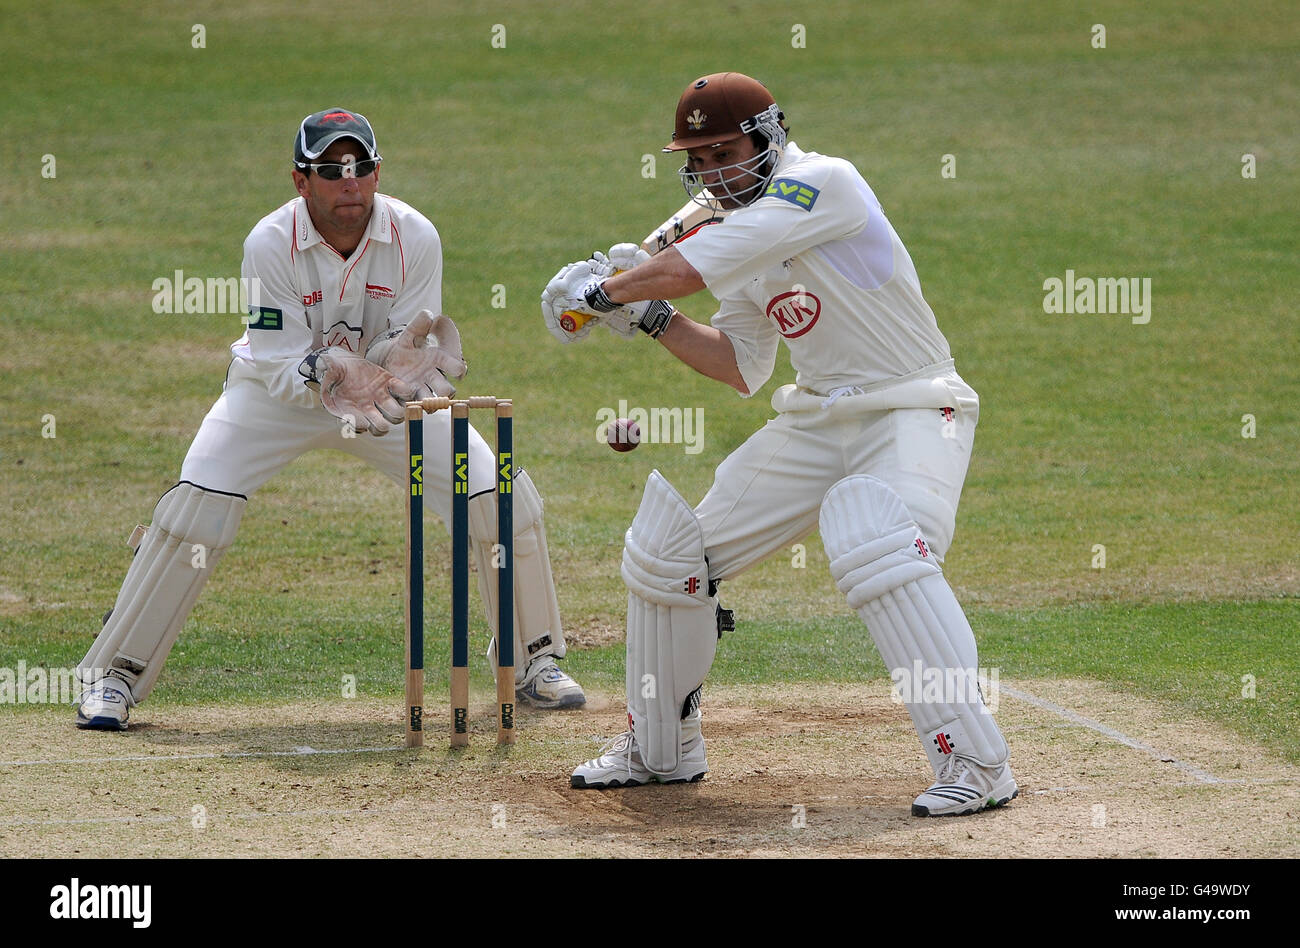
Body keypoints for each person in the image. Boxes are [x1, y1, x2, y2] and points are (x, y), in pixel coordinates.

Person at [541, 73, 1015, 816]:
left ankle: (977, 763)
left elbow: (691, 267)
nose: (711, 172)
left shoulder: (824, 183)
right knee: (672, 555)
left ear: (768, 138)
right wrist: (652, 317)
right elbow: (740, 365)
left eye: (724, 151)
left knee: (879, 548)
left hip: (915, 408)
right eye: (696, 159)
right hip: (817, 420)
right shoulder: (734, 234)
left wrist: (611, 290)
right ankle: (660, 751)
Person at [77, 107, 585, 731]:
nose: (349, 183)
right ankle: (114, 676)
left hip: (384, 400)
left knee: (495, 495)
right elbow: (275, 359)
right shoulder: (269, 242)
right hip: (276, 397)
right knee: (196, 514)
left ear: (377, 173)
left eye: (361, 167)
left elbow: (408, 339)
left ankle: (533, 662)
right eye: (331, 170)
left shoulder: (415, 236)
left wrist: (394, 366)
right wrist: (328, 373)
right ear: (301, 181)